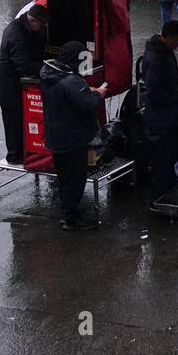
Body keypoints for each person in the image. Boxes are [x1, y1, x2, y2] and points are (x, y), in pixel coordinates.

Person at [39, 41, 105, 231]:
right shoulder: (71, 81)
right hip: (73, 138)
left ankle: (68, 212)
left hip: (55, 136)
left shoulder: (48, 74)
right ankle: (72, 219)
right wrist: (98, 94)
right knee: (75, 178)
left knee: (64, 177)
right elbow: (88, 105)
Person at [0, 5, 48, 164]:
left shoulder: (25, 27)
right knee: (13, 125)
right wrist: (48, 68)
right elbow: (23, 66)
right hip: (8, 88)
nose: (42, 30)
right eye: (41, 26)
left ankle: (22, 153)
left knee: (19, 124)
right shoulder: (16, 34)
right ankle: (15, 156)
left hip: (14, 86)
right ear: (33, 21)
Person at [141, 20, 178, 199]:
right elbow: (153, 91)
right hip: (162, 120)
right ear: (167, 37)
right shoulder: (157, 57)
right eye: (177, 39)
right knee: (162, 159)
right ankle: (160, 196)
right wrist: (174, 103)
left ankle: (167, 190)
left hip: (169, 118)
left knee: (172, 155)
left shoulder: (164, 51)